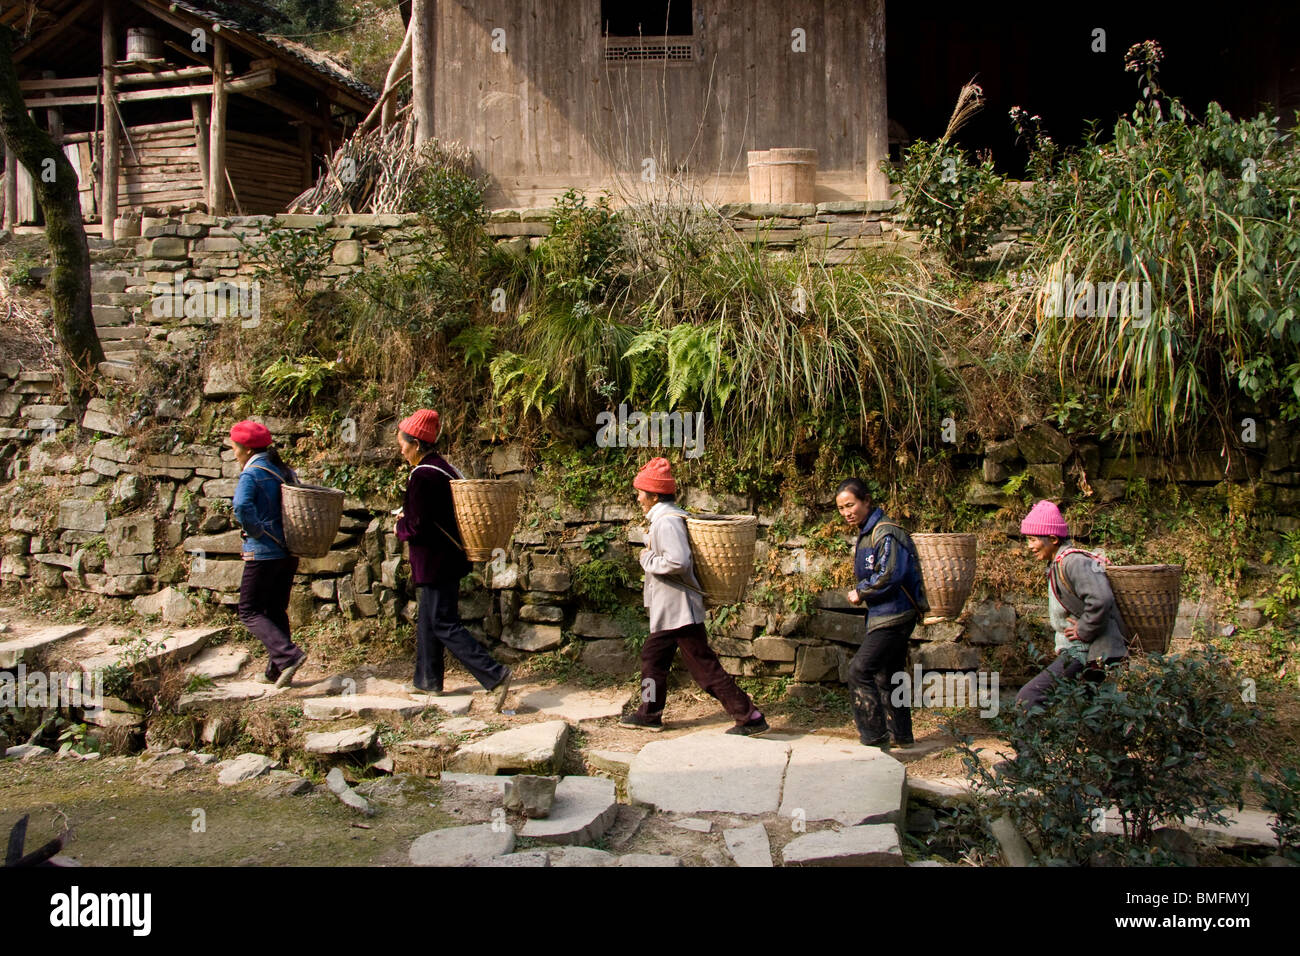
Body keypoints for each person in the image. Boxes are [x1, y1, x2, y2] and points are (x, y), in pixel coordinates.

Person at [619, 457, 769, 735]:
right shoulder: (667, 517)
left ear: (653, 495)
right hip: (673, 609)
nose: (638, 497)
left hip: (678, 611)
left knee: (704, 669)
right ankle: (649, 713)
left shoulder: (666, 522)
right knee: (655, 659)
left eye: (641, 492)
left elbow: (678, 562)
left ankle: (750, 717)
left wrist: (646, 558)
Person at [395, 408, 512, 710]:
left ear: (417, 444)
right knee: (429, 619)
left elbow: (418, 523)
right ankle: (427, 680)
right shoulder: (445, 468)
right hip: (448, 558)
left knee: (442, 621)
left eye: (403, 445)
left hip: (434, 561)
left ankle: (494, 673)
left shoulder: (422, 475)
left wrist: (399, 524)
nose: (402, 451)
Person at [835, 477, 927, 749]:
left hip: (894, 615)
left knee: (859, 670)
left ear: (866, 501)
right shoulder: (868, 531)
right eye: (841, 509)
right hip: (887, 614)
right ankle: (902, 736)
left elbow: (889, 574)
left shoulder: (885, 532)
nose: (846, 513)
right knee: (889, 675)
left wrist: (860, 591)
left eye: (850, 505)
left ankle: (875, 738)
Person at [1015, 500, 1129, 710]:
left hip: (1086, 651)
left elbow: (1101, 599)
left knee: (1029, 698)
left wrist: (1084, 629)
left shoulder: (1074, 562)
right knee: (1083, 711)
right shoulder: (1058, 563)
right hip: (1078, 651)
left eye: (1032, 539)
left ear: (1052, 538)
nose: (1029, 546)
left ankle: (1032, 744)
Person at [230, 420, 308, 688]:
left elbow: (241, 505)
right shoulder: (283, 470)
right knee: (275, 608)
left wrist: (255, 530)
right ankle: (276, 671)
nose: (234, 453)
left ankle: (288, 656)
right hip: (288, 553)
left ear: (246, 449)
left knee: (249, 610)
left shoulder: (252, 474)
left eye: (235, 448)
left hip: (264, 553)